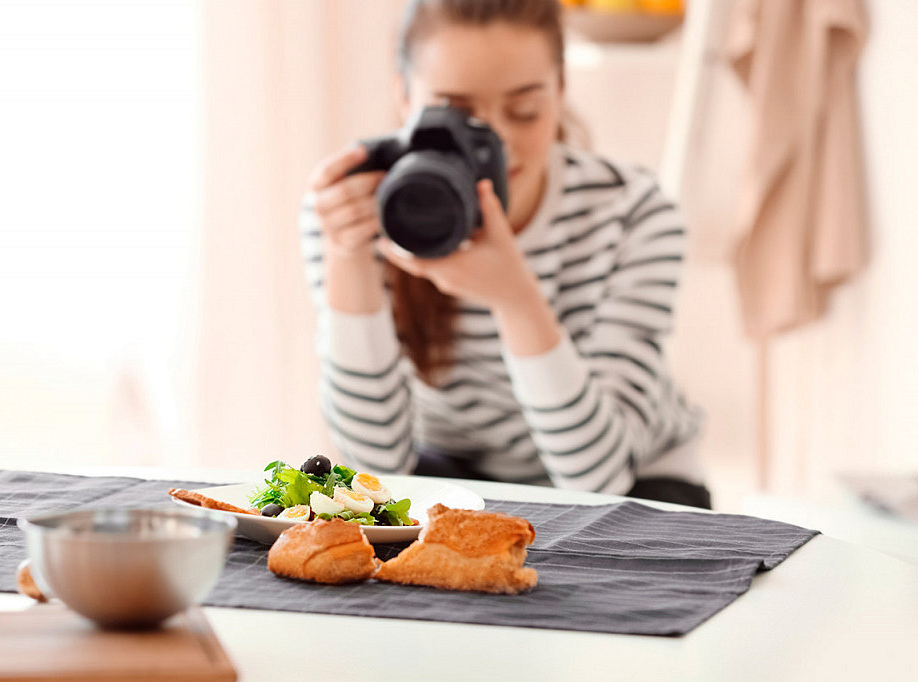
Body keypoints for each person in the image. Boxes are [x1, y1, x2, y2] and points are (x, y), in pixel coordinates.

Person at [300, 0, 711, 509]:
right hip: (456, 472)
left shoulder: (633, 212)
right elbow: (374, 462)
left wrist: (516, 300)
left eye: (524, 111)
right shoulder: (355, 206)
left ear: (560, 91)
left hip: (636, 479)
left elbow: (598, 475)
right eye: (457, 114)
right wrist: (349, 258)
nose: (497, 141)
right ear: (404, 96)